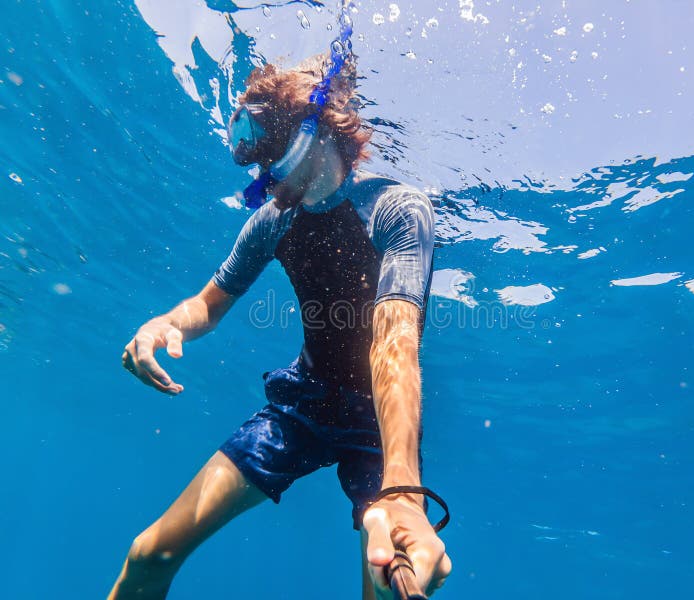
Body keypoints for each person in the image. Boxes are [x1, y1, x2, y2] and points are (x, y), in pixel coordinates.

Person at [109, 55, 451, 600]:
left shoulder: (396, 209)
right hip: (302, 403)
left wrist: (402, 486)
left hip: (379, 425)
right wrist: (164, 323)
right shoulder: (273, 220)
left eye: (270, 155)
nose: (261, 175)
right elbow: (207, 305)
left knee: (389, 583)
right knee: (148, 555)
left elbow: (394, 341)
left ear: (316, 133)